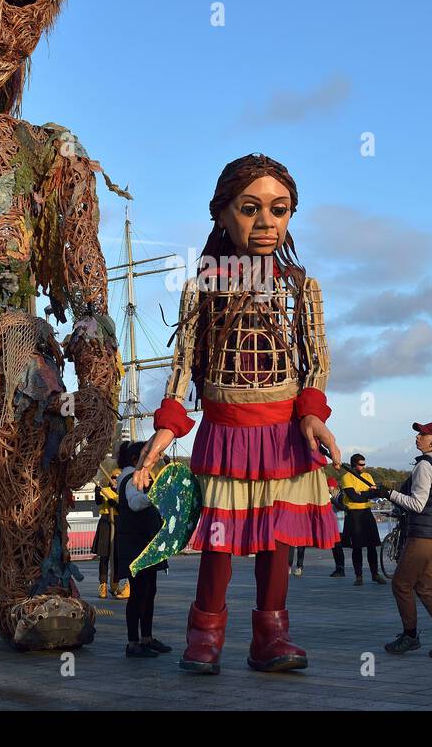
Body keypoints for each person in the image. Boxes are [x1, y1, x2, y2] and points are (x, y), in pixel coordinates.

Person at [136, 155, 340, 675]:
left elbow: (314, 364)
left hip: (285, 435)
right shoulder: (201, 289)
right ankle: (205, 635)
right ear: (221, 215)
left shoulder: (301, 290)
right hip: (226, 432)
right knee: (219, 542)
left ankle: (271, 635)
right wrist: (162, 434)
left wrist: (313, 415)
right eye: (251, 209)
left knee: (278, 540)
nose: (268, 223)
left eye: (281, 210)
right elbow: (182, 371)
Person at [378, 422, 432, 658]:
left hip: (423, 536)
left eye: (422, 434)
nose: (417, 437)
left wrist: (389, 494)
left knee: (401, 584)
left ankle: (410, 636)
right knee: (426, 588)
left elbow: (417, 504)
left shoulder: (425, 465)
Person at [114, 441, 171, 658]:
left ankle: (146, 637)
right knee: (138, 594)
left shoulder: (140, 477)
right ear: (135, 459)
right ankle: (133, 642)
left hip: (146, 542)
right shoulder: (130, 479)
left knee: (149, 591)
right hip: (136, 543)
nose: (153, 458)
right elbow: (136, 503)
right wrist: (154, 496)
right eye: (148, 454)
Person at [339, 453, 385, 585]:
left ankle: (375, 574)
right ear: (354, 464)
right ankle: (358, 576)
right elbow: (353, 497)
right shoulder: (346, 477)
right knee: (357, 547)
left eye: (364, 464)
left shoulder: (367, 476)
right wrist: (367, 494)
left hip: (367, 512)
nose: (364, 467)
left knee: (372, 546)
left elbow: (375, 493)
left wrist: (363, 494)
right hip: (354, 514)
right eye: (361, 464)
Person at [94, 468, 128, 600]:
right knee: (104, 556)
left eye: (118, 478)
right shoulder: (105, 491)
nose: (115, 480)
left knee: (117, 557)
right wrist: (97, 493)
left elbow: (125, 509)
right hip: (105, 522)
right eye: (114, 477)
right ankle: (103, 585)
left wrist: (117, 505)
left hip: (118, 522)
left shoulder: (123, 492)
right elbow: (98, 502)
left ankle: (115, 585)